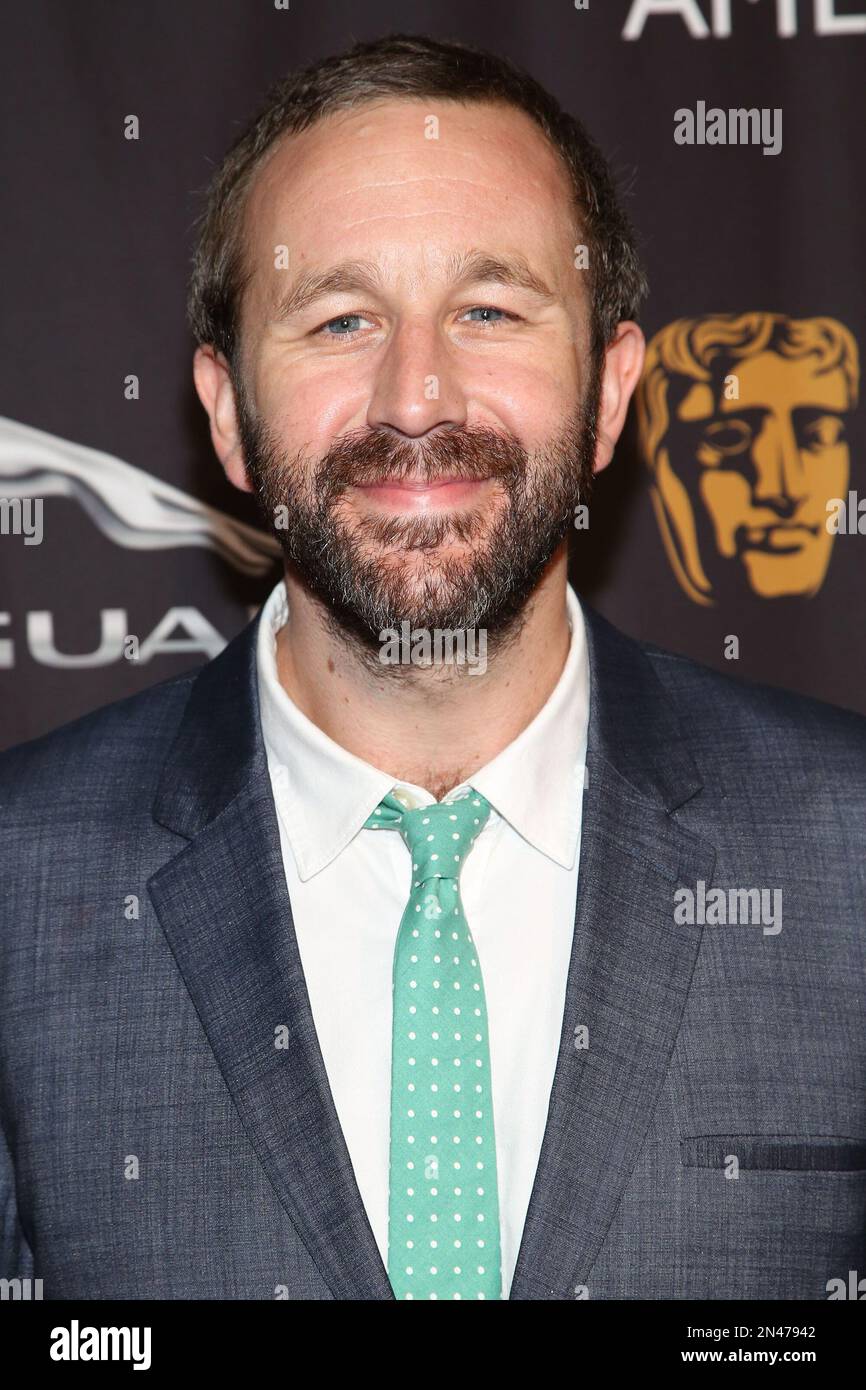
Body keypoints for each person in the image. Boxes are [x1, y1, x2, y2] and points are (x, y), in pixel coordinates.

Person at [1, 33, 864, 1303]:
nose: (417, 396)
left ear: (612, 393)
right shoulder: (20, 883)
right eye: (341, 318)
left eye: (488, 311)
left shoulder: (843, 856)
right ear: (228, 412)